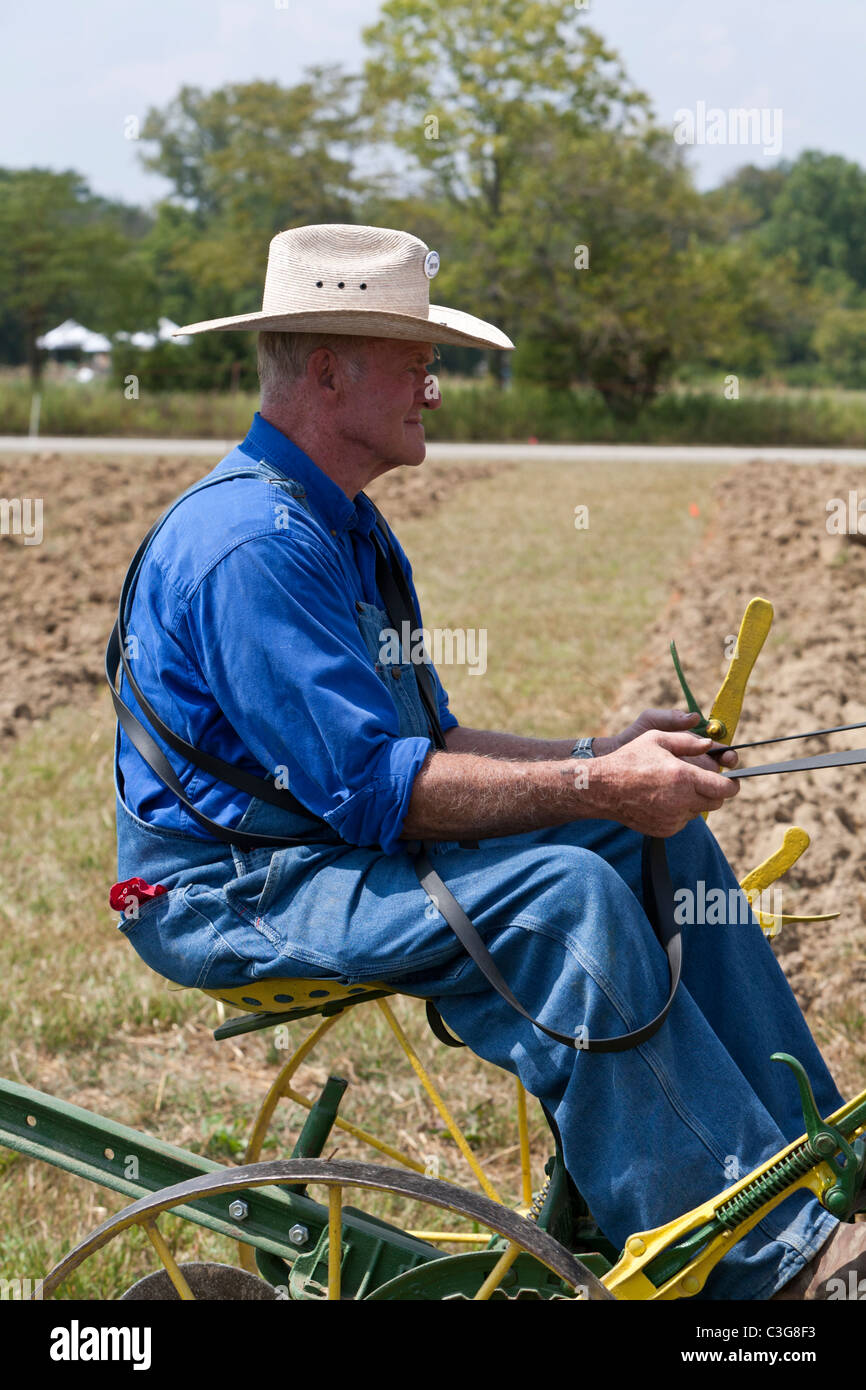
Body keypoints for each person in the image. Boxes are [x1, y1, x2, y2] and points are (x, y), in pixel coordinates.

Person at [111, 223, 863, 1300]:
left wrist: (604, 760)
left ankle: (816, 1173)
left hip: (323, 849)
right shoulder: (253, 545)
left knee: (650, 841)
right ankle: (771, 1269)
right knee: (562, 901)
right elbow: (381, 793)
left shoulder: (342, 525)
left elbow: (431, 747)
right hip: (233, 888)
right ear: (327, 371)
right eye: (416, 362)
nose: (435, 388)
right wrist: (599, 781)